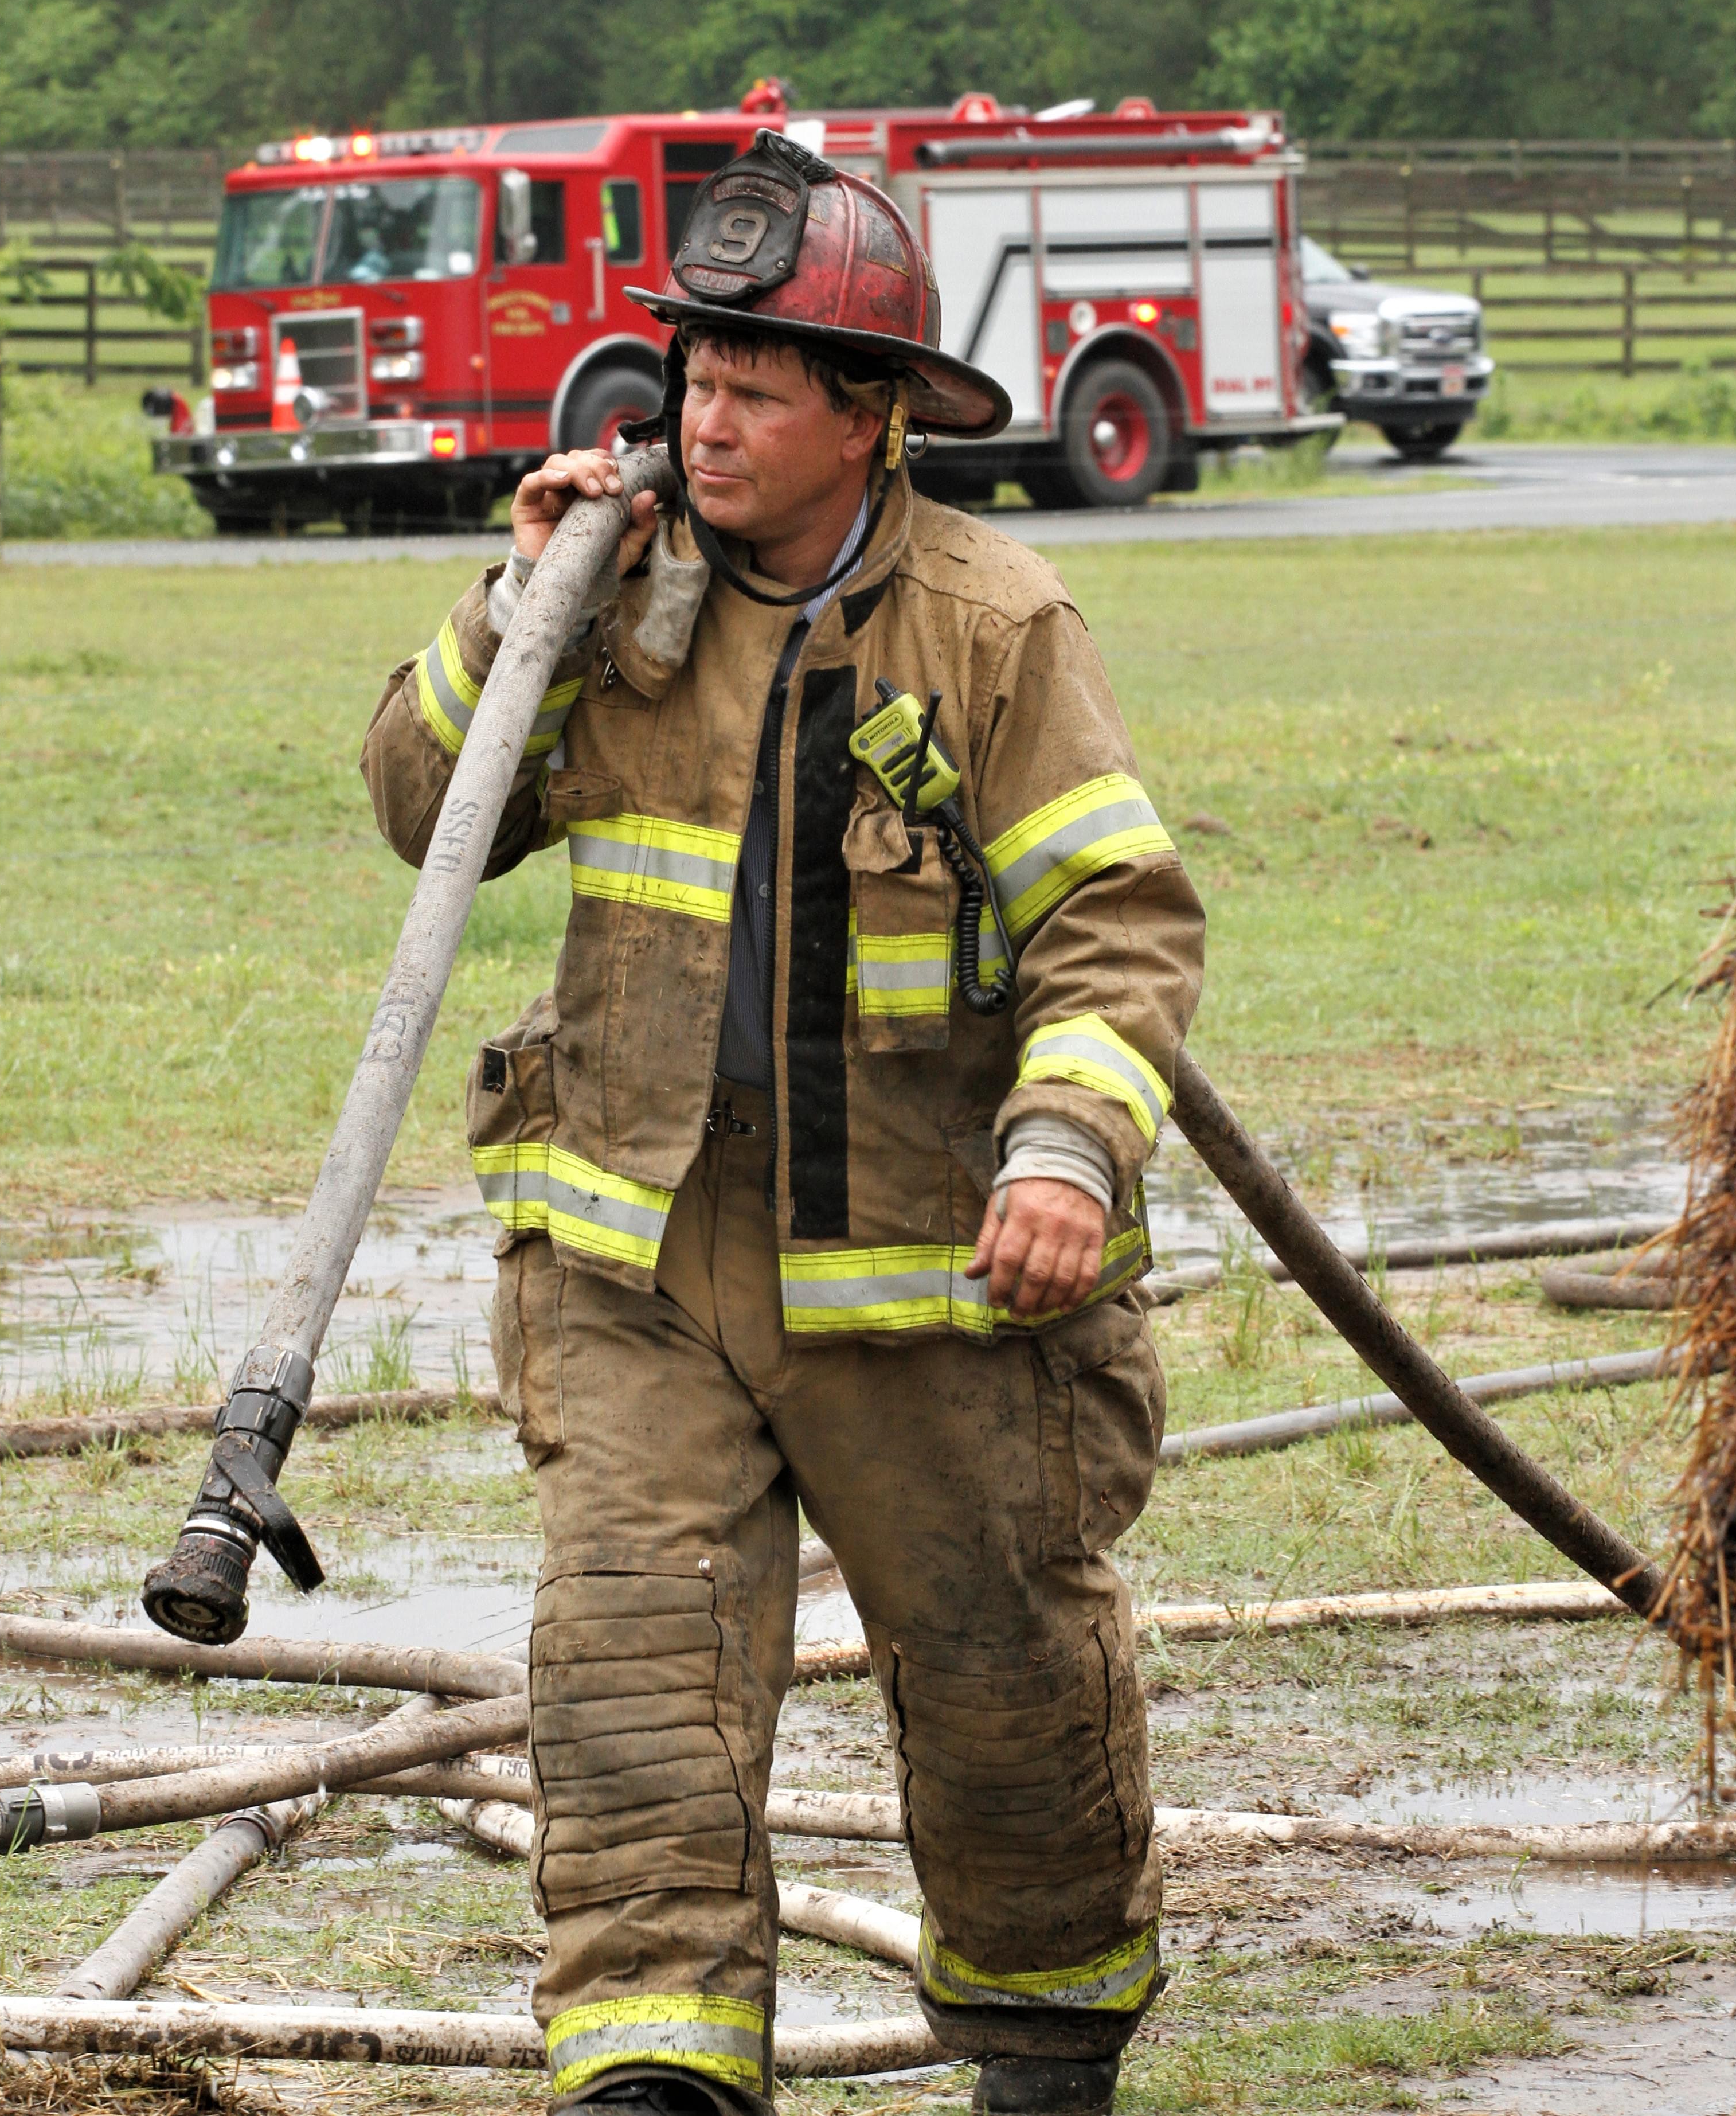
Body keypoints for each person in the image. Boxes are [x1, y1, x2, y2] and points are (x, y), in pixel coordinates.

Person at [361, 131, 1205, 2116]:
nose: (701, 421)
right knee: (631, 1698)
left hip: (931, 1292)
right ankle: (654, 2085)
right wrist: (513, 603)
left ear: (871, 418)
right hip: (640, 1274)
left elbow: (1120, 918)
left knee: (1012, 1708)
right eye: (690, 379)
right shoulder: (604, 584)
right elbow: (420, 806)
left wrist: (1065, 1151)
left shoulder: (994, 631)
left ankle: (1043, 2065)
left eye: (753, 388)